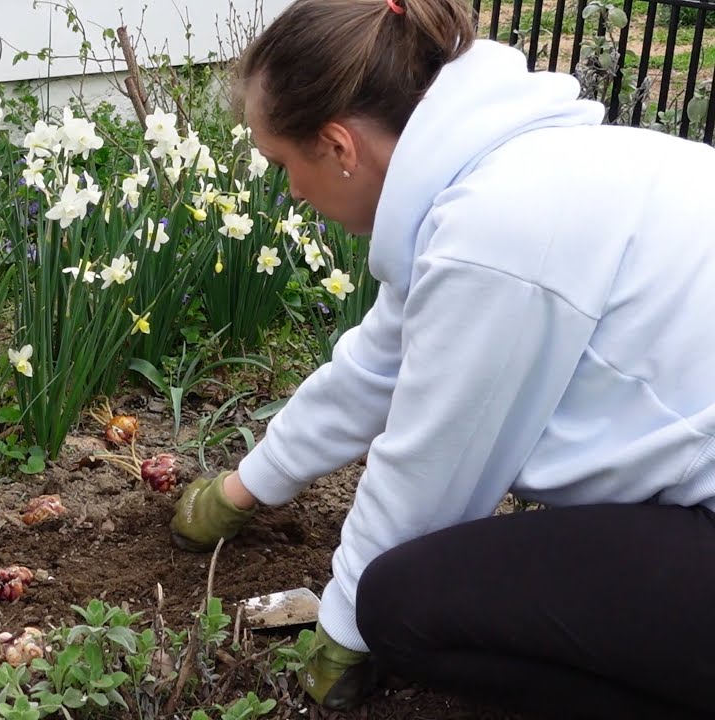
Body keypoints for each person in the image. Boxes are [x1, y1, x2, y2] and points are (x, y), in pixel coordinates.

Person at [168, 0, 715, 717]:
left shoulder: (498, 230)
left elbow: (429, 466)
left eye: (283, 164)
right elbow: (372, 369)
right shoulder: (496, 179)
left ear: (338, 146)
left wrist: (340, 636)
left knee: (399, 608)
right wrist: (241, 490)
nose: (292, 193)